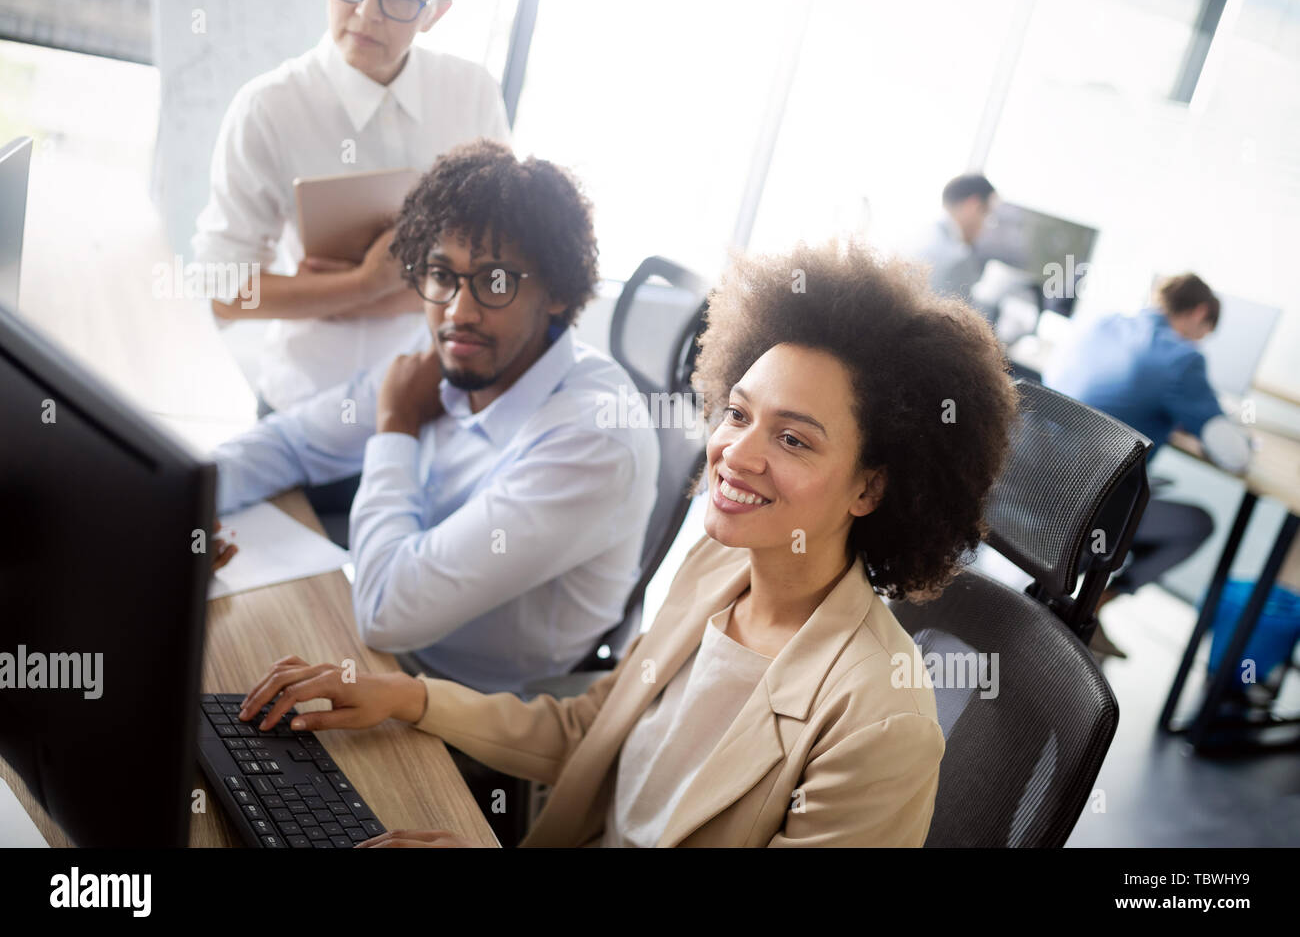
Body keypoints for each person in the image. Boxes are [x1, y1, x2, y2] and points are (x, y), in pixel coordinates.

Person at [237, 239, 1020, 847]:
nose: (737, 454)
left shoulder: (878, 722)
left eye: (793, 439)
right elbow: (591, 735)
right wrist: (405, 698)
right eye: (739, 413)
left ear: (871, 488)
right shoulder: (720, 568)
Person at [210, 140, 659, 698]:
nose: (458, 313)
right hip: (377, 638)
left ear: (558, 295)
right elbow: (291, 443)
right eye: (441, 275)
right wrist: (183, 503)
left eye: (496, 283)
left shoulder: (591, 441)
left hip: (460, 702)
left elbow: (386, 611)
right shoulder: (458, 353)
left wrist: (395, 424)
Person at [193, 0, 510, 415]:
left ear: (434, 14)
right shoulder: (268, 107)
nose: (366, 11)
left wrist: (345, 295)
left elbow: (500, 263)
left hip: (433, 409)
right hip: (301, 403)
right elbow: (222, 289)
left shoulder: (473, 94)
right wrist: (363, 284)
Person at [1045, 273, 1251, 659]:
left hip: (1034, 488)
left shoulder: (1102, 323)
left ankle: (1082, 600)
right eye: (1204, 332)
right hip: (1088, 511)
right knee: (1197, 523)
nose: (1199, 342)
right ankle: (1096, 601)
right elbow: (1234, 456)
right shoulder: (1183, 359)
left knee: (1143, 493)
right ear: (1200, 313)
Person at [911, 173, 997, 303]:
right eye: (987, 215)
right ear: (973, 206)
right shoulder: (958, 259)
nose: (986, 226)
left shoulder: (917, 233)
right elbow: (961, 320)